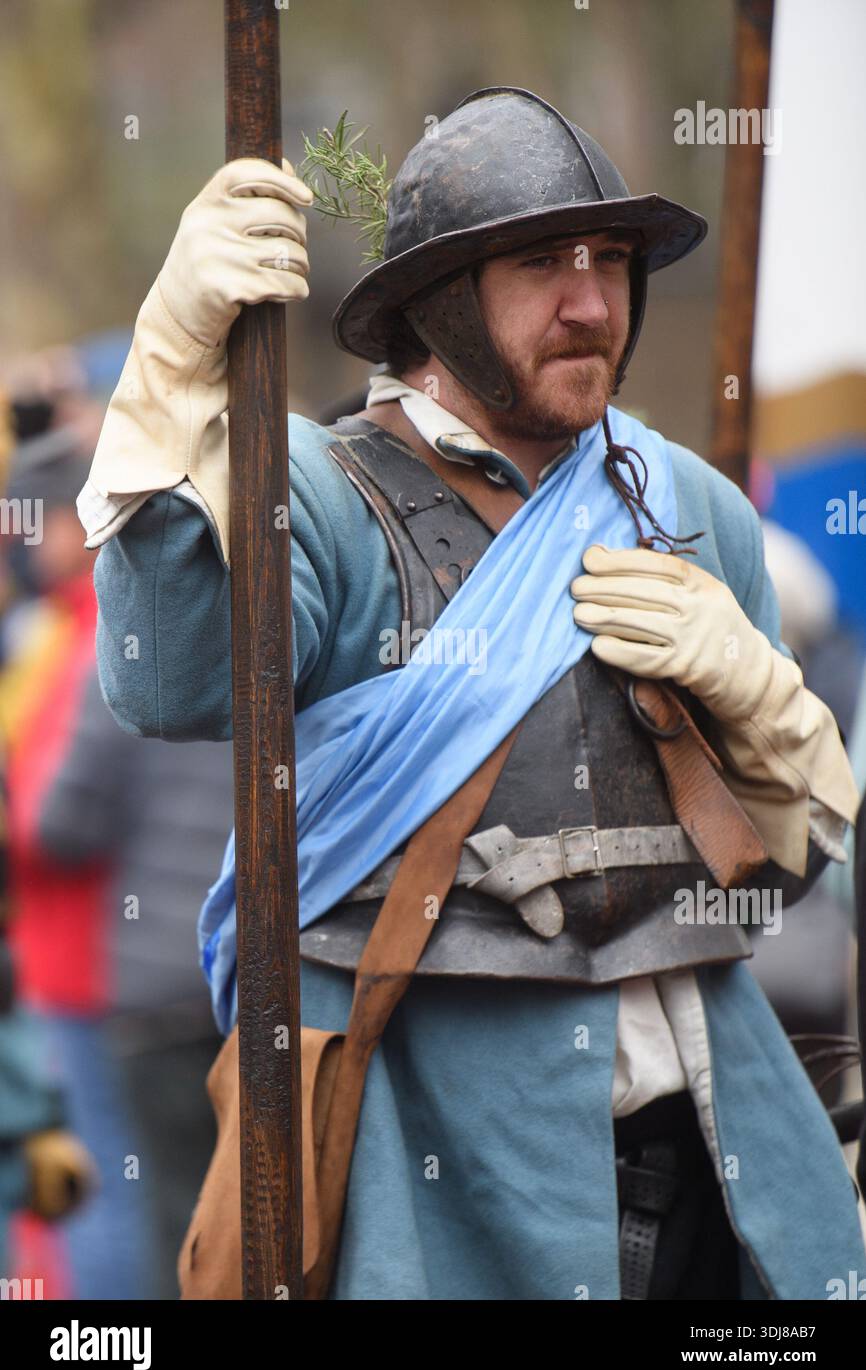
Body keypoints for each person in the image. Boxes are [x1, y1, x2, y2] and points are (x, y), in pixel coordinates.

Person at [77, 86, 863, 1300]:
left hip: (717, 1151)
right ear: (441, 302)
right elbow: (165, 685)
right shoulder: (320, 491)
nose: (593, 300)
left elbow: (779, 881)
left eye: (607, 260)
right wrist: (170, 376)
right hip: (438, 1165)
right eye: (544, 262)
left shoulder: (694, 507)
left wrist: (763, 708)